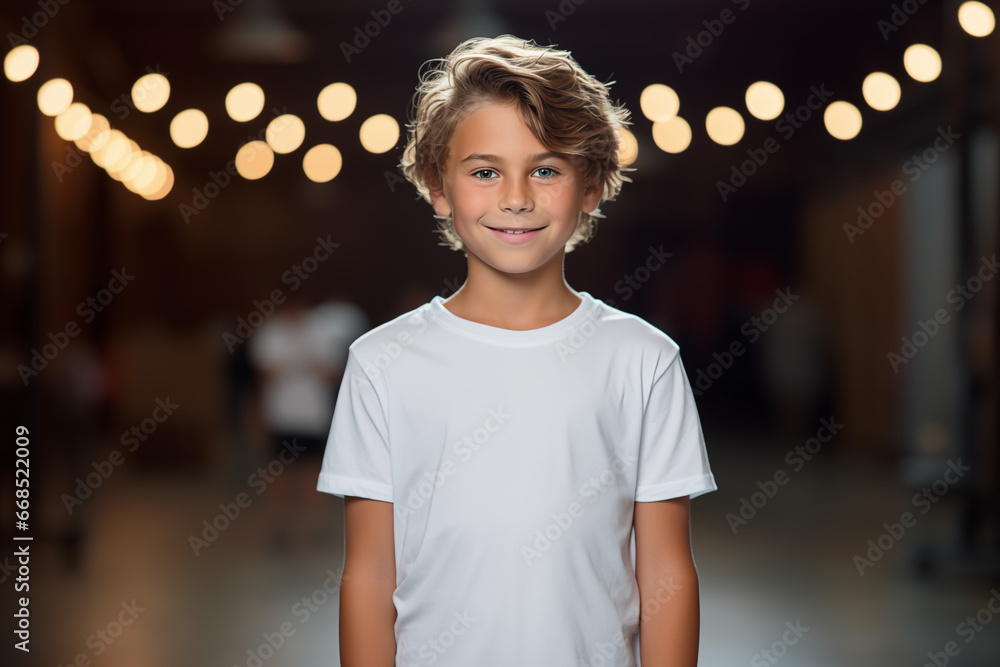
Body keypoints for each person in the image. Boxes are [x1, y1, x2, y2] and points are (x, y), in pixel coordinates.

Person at [317, 35, 716, 666]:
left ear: (591, 187)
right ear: (438, 187)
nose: (516, 198)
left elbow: (666, 573)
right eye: (484, 171)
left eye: (546, 169)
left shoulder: (642, 358)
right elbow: (367, 575)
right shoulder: (381, 362)